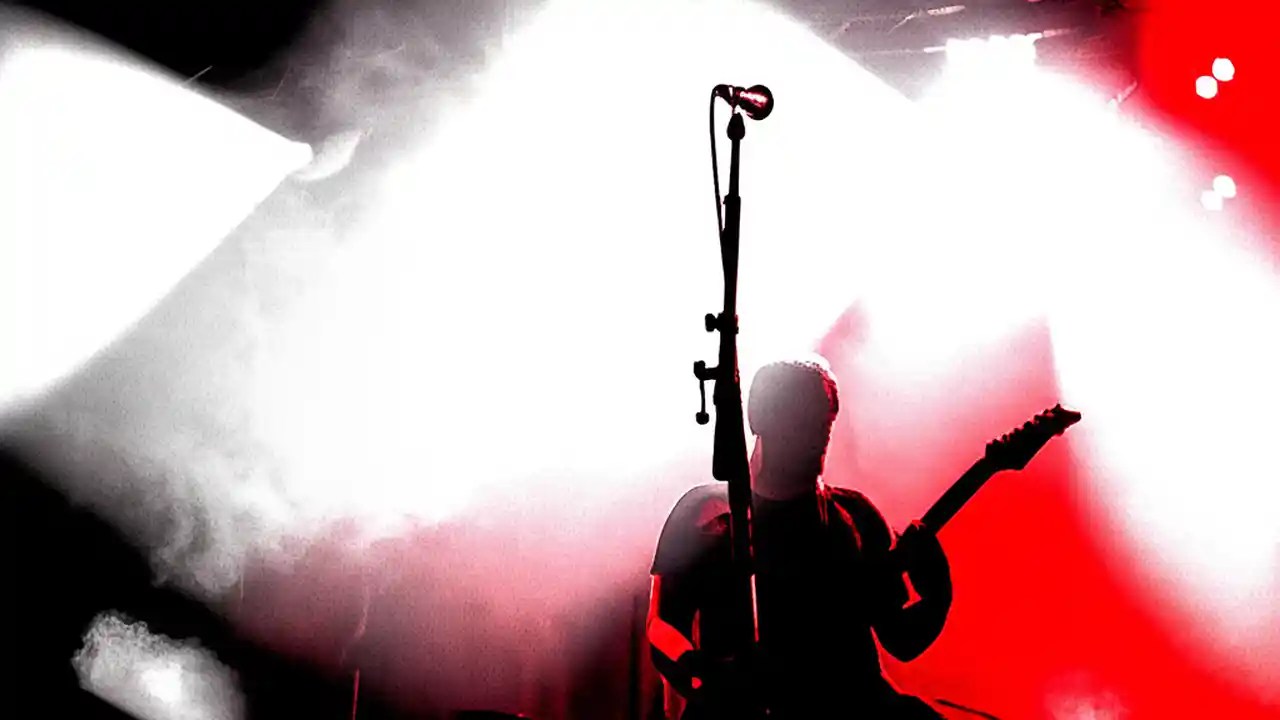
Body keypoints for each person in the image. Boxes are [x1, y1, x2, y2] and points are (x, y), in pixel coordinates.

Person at [648, 356, 952, 719]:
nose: (818, 433)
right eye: (802, 418)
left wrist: (938, 596)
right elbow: (662, 626)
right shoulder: (706, 511)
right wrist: (702, 674)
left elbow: (901, 639)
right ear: (758, 418)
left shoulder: (856, 516)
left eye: (824, 420)